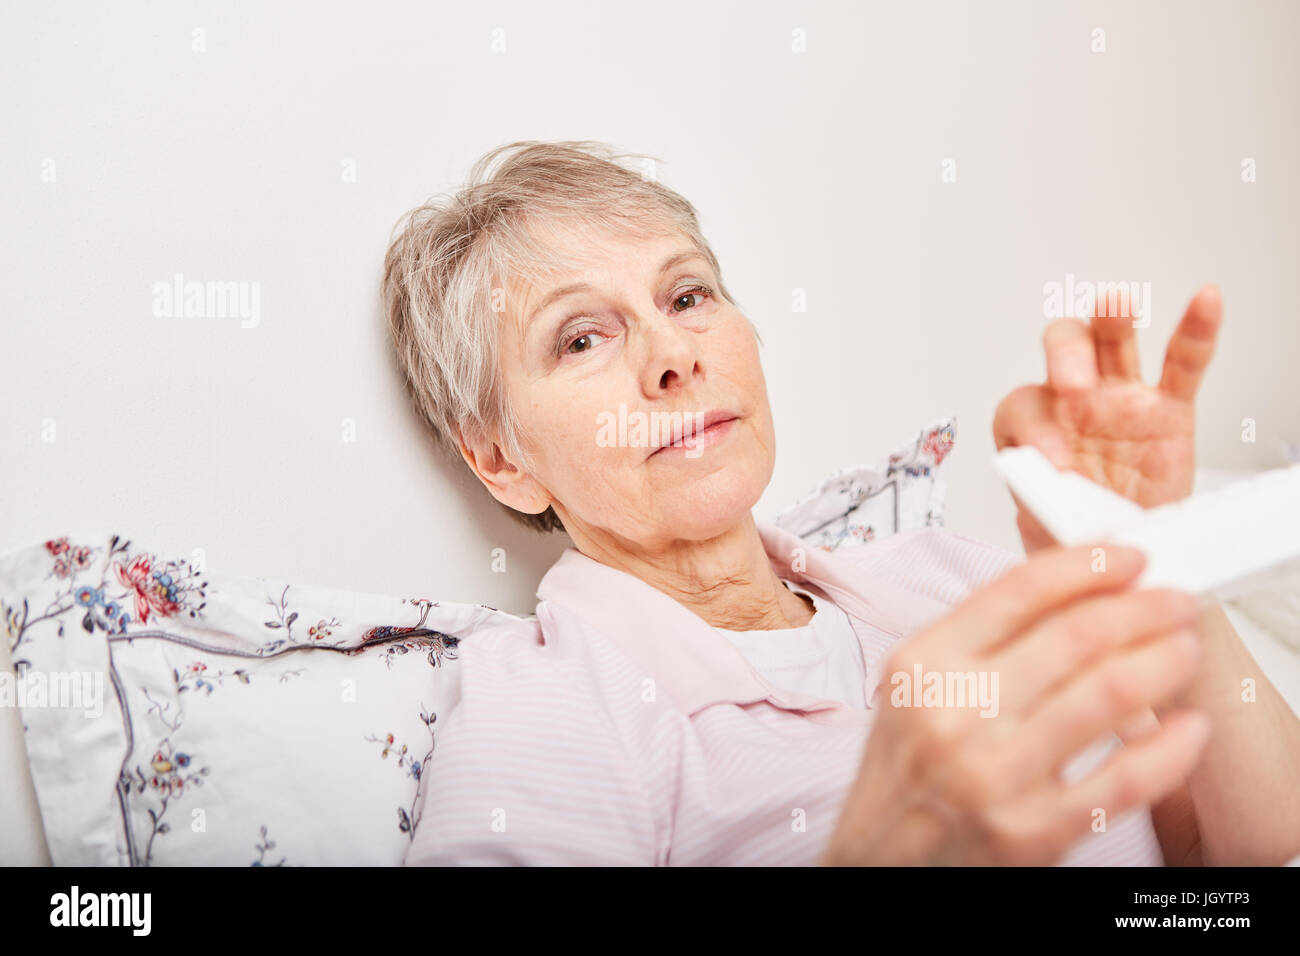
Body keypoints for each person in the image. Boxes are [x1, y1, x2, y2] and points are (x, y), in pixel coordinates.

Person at [382, 140, 1300, 865]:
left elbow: (1229, 856)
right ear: (501, 461)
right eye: (581, 339)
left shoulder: (945, 575)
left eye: (689, 293)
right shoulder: (548, 705)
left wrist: (1159, 558)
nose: (675, 355)